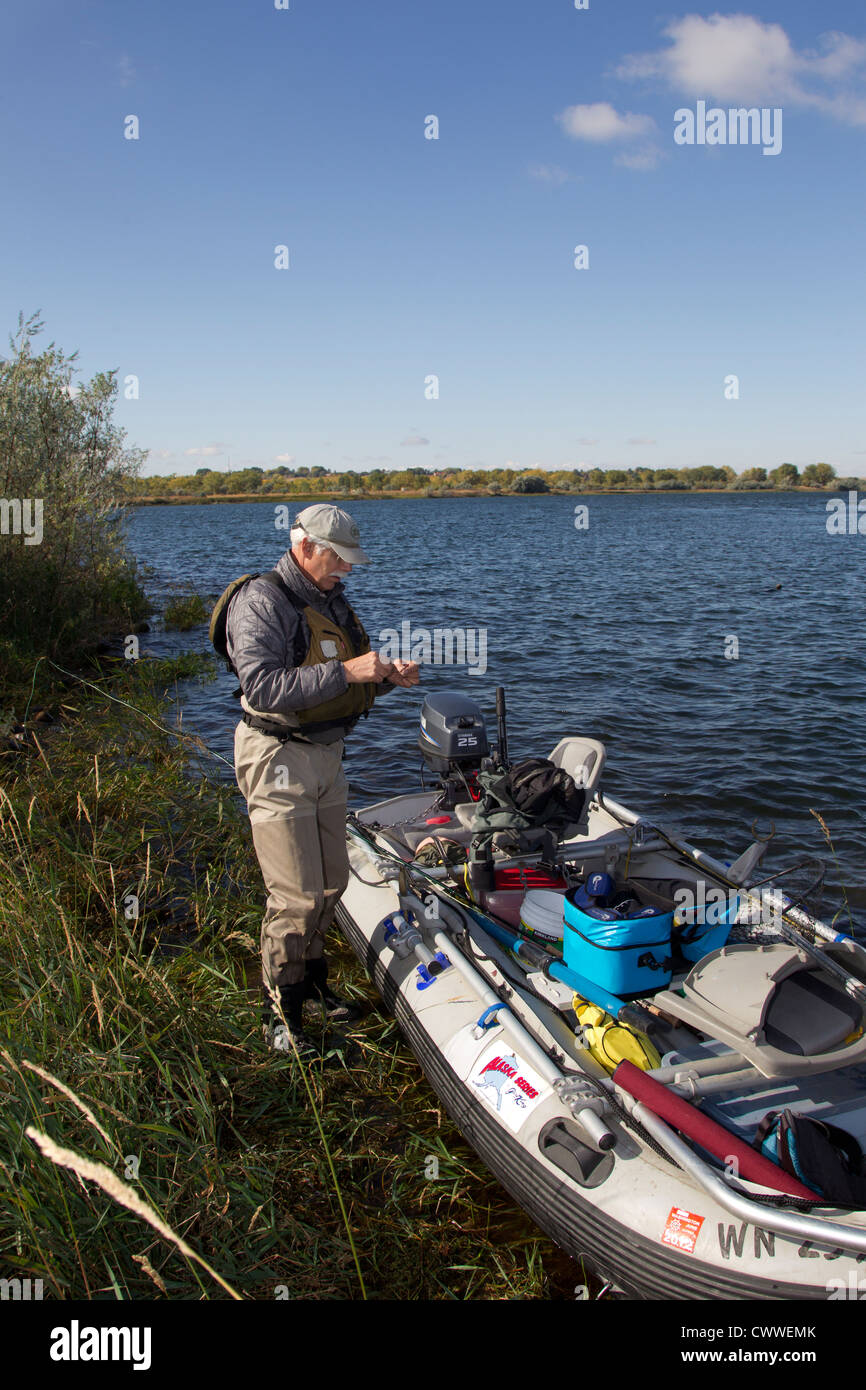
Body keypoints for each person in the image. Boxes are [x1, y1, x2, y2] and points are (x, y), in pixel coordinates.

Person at [225, 504, 419, 1056]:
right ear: (305, 546)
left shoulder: (330, 599)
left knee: (332, 884)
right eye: (340, 558)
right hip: (277, 757)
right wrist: (348, 670)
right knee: (296, 896)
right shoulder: (261, 600)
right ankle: (279, 1017)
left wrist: (384, 679)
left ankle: (311, 987)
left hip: (326, 757)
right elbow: (262, 688)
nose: (349, 570)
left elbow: (342, 680)